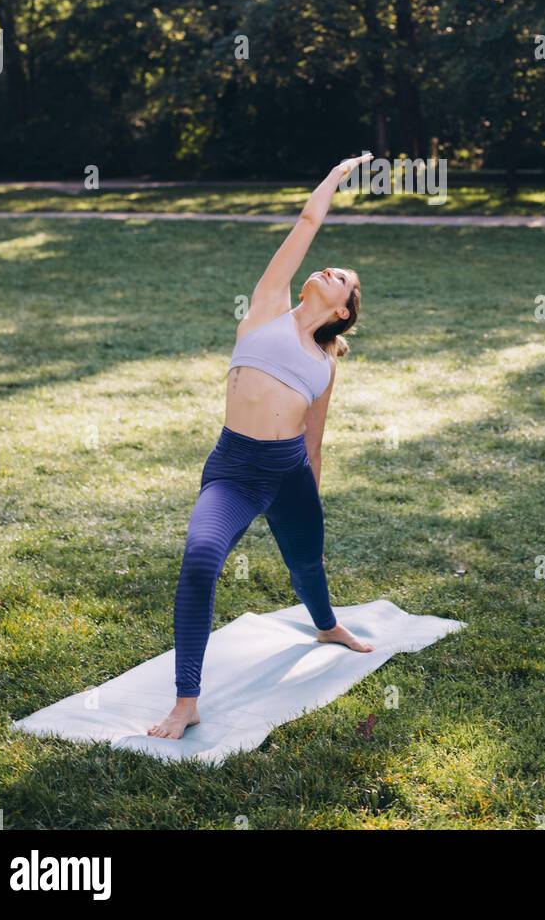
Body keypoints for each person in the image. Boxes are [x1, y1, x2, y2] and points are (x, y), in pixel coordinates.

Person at [148, 154, 374, 740]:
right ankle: (186, 700)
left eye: (342, 278)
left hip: (289, 473)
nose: (331, 271)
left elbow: (315, 440)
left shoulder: (326, 365)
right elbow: (305, 223)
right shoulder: (269, 306)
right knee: (199, 563)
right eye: (332, 268)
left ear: (344, 310)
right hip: (233, 467)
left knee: (306, 564)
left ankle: (326, 625)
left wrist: (311, 502)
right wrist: (335, 176)